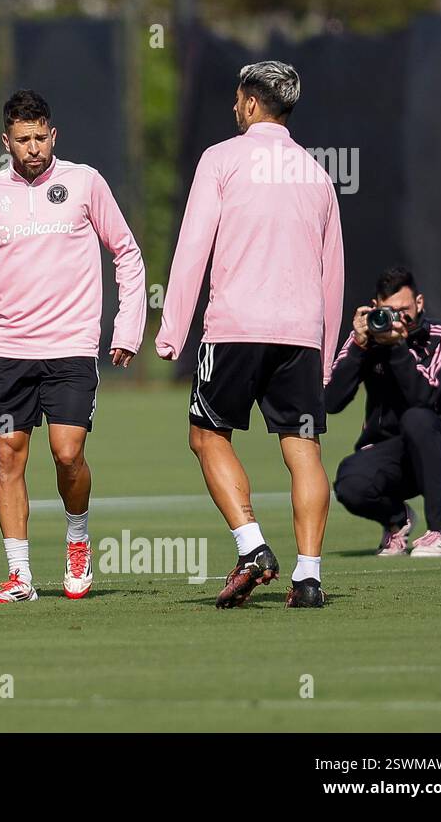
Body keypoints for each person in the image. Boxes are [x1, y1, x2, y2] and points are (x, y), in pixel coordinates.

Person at [0, 89, 145, 604]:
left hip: (72, 347)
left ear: (54, 135)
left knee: (67, 453)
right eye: (22, 139)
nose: (33, 147)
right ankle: (19, 575)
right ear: (6, 141)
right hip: (9, 351)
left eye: (41, 137)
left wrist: (127, 329)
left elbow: (127, 252)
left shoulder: (84, 182)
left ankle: (77, 538)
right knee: (8, 456)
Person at [156, 60, 344, 610]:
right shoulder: (317, 173)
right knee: (303, 448)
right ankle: (309, 578)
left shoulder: (220, 158)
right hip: (301, 334)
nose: (234, 108)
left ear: (252, 104)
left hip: (236, 327)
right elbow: (333, 272)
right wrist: (326, 355)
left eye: (238, 99)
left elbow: (193, 247)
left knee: (207, 436)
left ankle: (253, 546)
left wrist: (171, 330)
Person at [327, 266, 441, 558]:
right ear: (376, 308)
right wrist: (358, 347)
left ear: (419, 303)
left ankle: (440, 533)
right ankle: (396, 520)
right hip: (390, 449)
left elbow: (424, 396)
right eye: (390, 311)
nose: (399, 318)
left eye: (405, 310)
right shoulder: (365, 339)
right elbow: (330, 401)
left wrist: (397, 348)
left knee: (416, 418)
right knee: (350, 483)